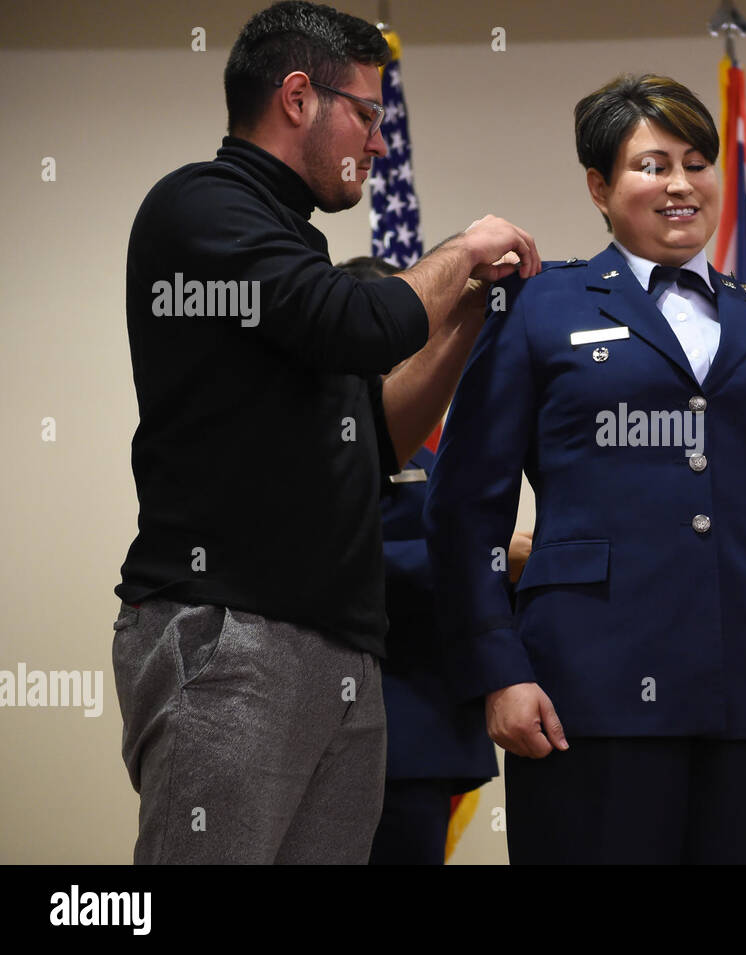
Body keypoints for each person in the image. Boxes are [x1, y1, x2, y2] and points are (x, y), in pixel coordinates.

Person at [111, 1, 538, 864]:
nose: (379, 143)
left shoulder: (293, 251)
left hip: (342, 648)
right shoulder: (200, 206)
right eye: (369, 115)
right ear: (299, 98)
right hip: (230, 631)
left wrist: (470, 312)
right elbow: (358, 322)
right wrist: (465, 247)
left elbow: (375, 441)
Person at [424, 73, 746, 865]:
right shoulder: (534, 308)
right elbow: (465, 510)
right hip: (584, 693)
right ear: (599, 185)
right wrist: (498, 670)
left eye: (698, 162)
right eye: (652, 165)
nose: (681, 184)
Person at [336, 255, 524, 865]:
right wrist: (490, 560)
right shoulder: (336, 433)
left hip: (433, 725)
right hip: (366, 723)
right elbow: (337, 562)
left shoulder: (441, 431)